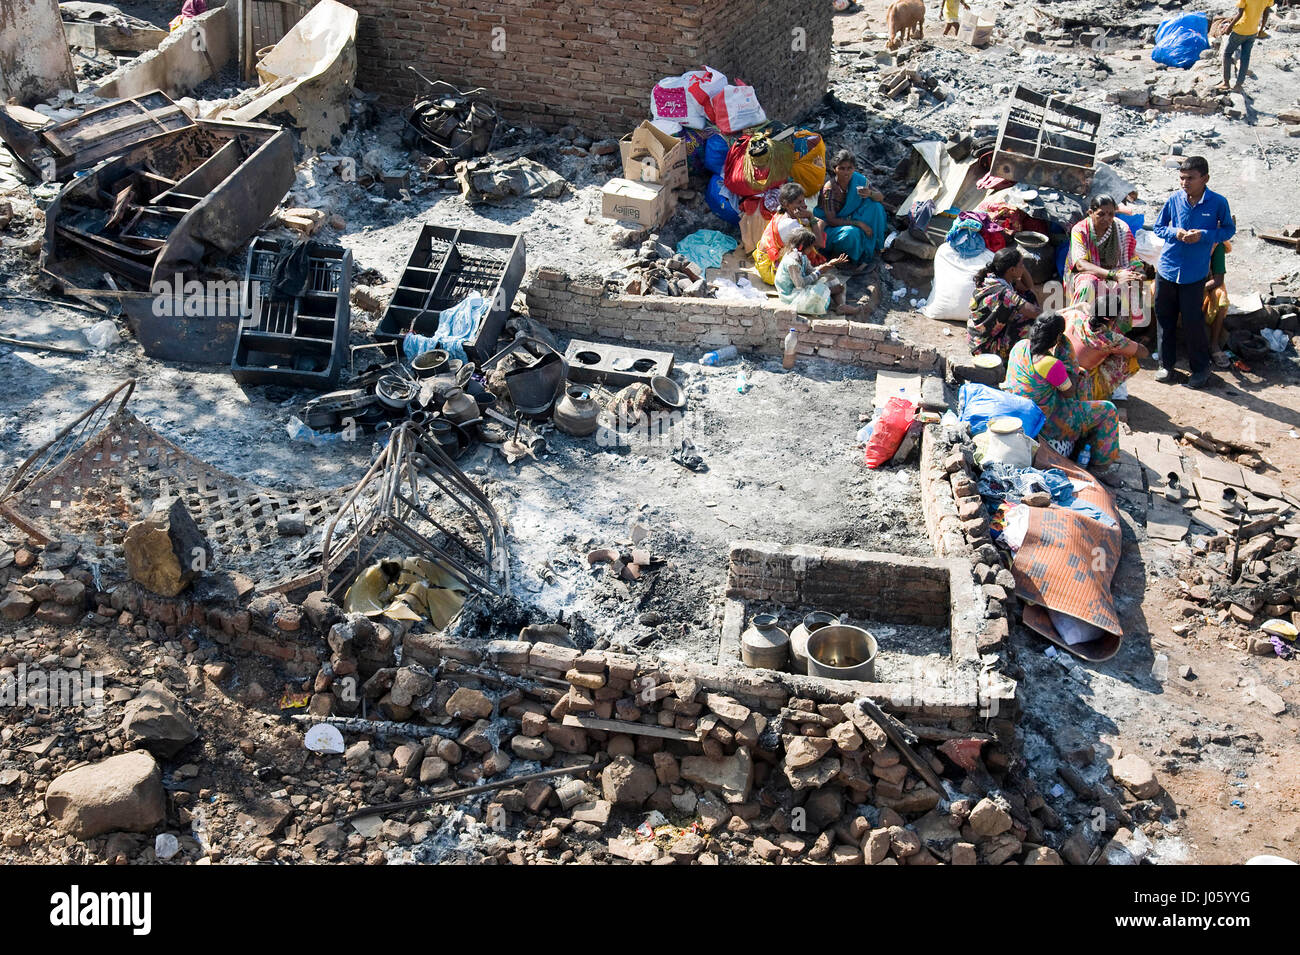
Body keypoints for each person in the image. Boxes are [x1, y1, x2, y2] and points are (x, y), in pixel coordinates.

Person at [1002, 312, 1121, 475]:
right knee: (1108, 409)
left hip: (1019, 411)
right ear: (1057, 337)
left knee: (1082, 378)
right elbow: (1069, 392)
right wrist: (1067, 351)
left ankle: (1083, 437)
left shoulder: (1020, 346)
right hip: (1045, 425)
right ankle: (1100, 467)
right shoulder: (1050, 364)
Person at [1152, 157, 1235, 389]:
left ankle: (1200, 370)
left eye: (1190, 178)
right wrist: (1176, 233)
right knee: (1165, 319)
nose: (1184, 182)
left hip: (1194, 274)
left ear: (1205, 178)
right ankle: (1166, 365)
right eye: (1181, 178)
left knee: (1193, 322)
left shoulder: (1218, 202)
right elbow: (1159, 227)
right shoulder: (1174, 199)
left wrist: (1205, 235)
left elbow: (1229, 229)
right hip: (1167, 269)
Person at [1064, 194, 1146, 333]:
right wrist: (1113, 276)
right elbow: (1081, 265)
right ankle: (1077, 329)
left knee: (1130, 284)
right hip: (1086, 272)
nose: (1106, 218)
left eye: (1110, 214)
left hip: (1116, 269)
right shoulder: (1080, 230)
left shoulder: (1121, 229)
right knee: (1087, 285)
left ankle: (1115, 334)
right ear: (1090, 213)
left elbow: (1131, 257)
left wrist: (1139, 272)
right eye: (1101, 214)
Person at [1064, 291, 1150, 402]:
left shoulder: (1074, 315)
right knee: (1127, 358)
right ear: (1114, 319)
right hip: (1079, 384)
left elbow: (1053, 315)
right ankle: (1107, 395)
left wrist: (1077, 306)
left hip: (1061, 372)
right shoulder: (1110, 339)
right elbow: (1143, 352)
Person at [815, 150, 888, 273]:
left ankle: (874, 247)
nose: (846, 172)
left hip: (851, 216)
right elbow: (831, 220)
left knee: (876, 208)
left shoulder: (859, 180)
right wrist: (859, 224)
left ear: (854, 168)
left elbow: (880, 197)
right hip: (831, 227)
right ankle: (849, 260)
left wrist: (870, 193)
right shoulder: (830, 189)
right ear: (834, 169)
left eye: (849, 168)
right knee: (851, 233)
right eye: (842, 168)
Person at [967, 247, 1041, 361]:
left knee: (1028, 297)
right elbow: (1035, 312)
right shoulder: (1004, 293)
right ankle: (1016, 360)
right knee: (1032, 325)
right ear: (1011, 270)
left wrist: (1021, 267)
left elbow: (1028, 288)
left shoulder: (995, 277)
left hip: (978, 338)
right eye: (1021, 265)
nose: (1023, 267)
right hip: (984, 347)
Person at [754, 182, 826, 286]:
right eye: (799, 202)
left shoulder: (783, 213)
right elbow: (819, 242)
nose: (804, 205)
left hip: (763, 261)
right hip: (771, 270)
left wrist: (811, 220)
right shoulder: (790, 224)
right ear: (786, 204)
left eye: (803, 200)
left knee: (814, 227)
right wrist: (811, 216)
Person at [774, 229, 859, 316]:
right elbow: (800, 285)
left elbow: (810, 271)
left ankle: (841, 306)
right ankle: (830, 295)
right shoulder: (792, 263)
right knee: (821, 290)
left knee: (834, 280)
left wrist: (828, 265)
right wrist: (820, 274)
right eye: (810, 247)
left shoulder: (802, 256)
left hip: (801, 288)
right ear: (803, 246)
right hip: (792, 295)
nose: (812, 249)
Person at [1216, 0, 1273, 92]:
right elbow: (1266, 13)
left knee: (1227, 54)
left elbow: (1239, 14)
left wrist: (1228, 28)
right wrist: (1261, 29)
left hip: (1240, 30)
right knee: (1245, 58)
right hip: (1253, 31)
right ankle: (1238, 85)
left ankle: (1226, 82)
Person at [1203, 240, 1232, 368]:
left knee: (1221, 297)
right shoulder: (1185, 237)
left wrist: (1200, 288)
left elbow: (1218, 279)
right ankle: (1152, 334)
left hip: (1206, 285)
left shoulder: (1216, 244)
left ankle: (1214, 344)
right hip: (1185, 281)